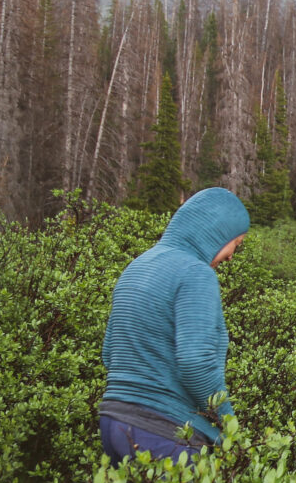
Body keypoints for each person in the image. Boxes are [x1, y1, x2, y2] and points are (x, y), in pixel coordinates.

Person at [99, 187, 249, 463]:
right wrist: (230, 427)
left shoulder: (137, 266)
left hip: (113, 421)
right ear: (216, 233)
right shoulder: (195, 273)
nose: (230, 256)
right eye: (236, 243)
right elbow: (196, 364)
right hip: (162, 433)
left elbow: (110, 353)